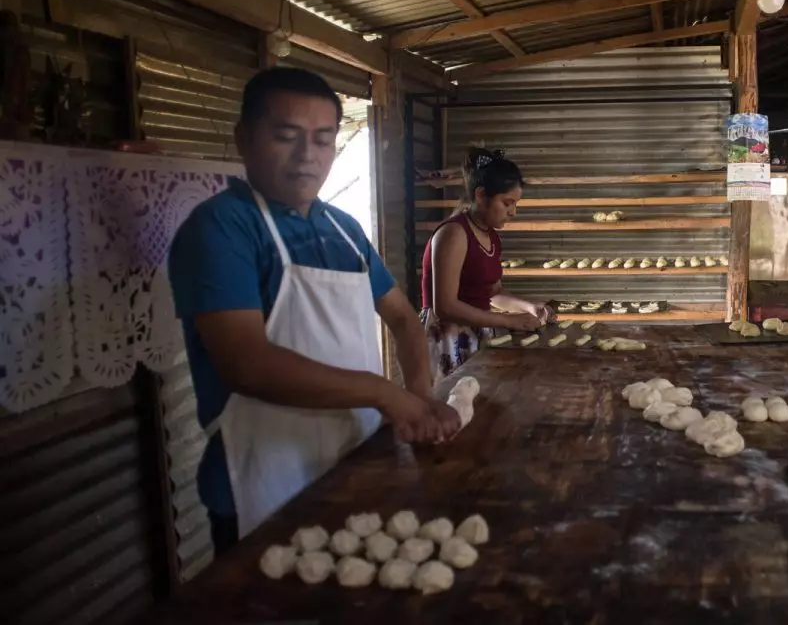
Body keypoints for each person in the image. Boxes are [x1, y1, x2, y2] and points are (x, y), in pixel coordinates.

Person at [169, 67, 459, 552]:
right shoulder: (221, 228)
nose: (309, 157)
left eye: (324, 140)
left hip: (353, 461)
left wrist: (421, 400)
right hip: (264, 477)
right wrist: (383, 394)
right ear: (243, 139)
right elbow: (246, 363)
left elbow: (406, 320)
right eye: (287, 136)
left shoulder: (343, 230)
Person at [421, 147, 552, 381]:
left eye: (515, 204)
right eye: (507, 203)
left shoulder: (491, 236)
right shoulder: (454, 233)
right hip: (448, 339)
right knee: (451, 407)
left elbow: (493, 292)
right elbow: (445, 306)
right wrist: (506, 320)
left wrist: (527, 307)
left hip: (477, 331)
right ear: (481, 195)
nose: (513, 212)